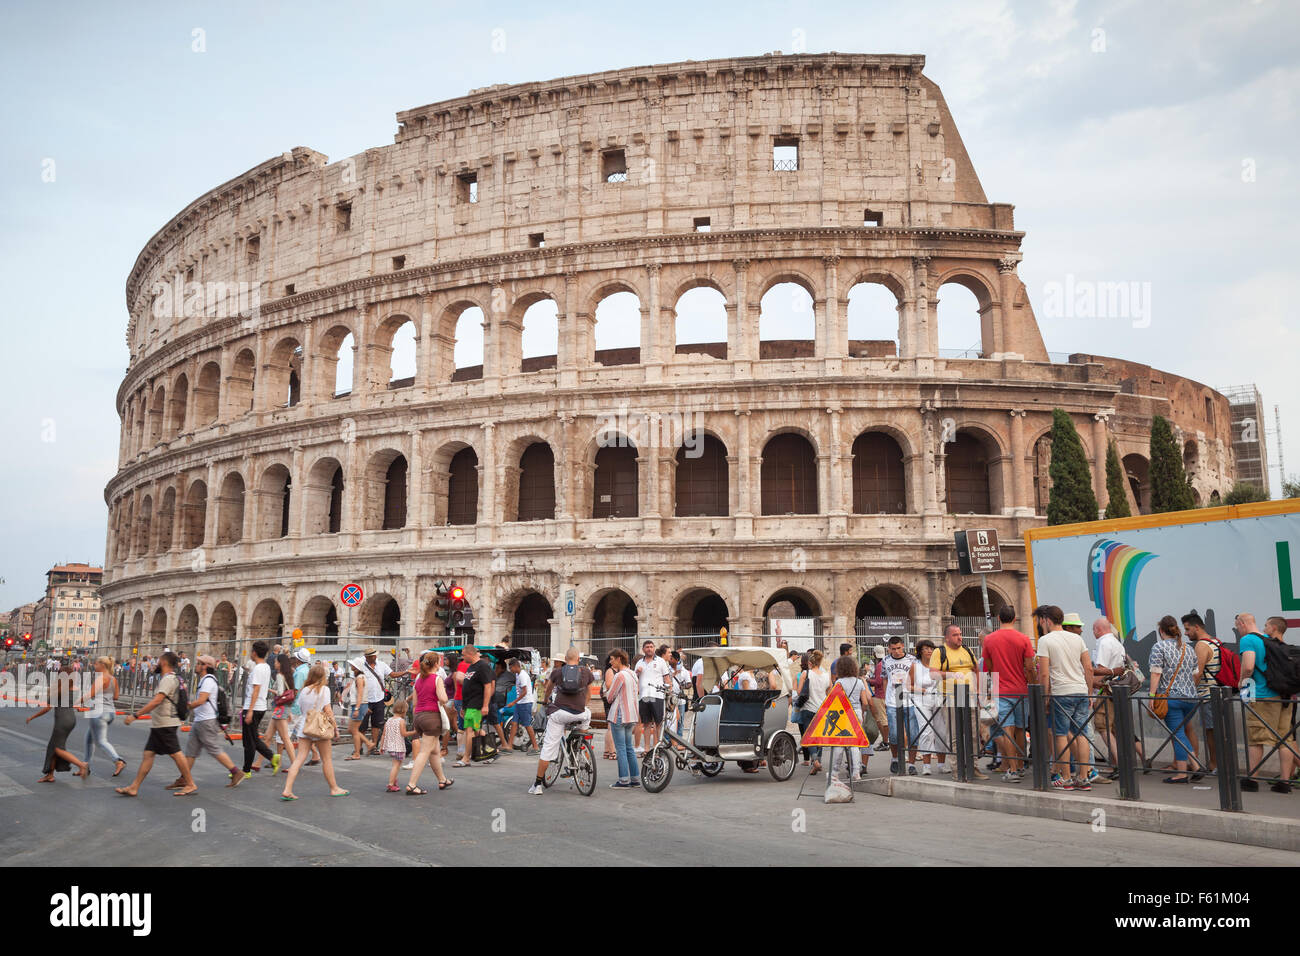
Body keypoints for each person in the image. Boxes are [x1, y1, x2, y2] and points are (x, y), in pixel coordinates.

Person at [115, 652, 197, 796]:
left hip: (166, 723)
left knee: (176, 754)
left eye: (158, 661)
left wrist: (135, 715)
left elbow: (157, 700)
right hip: (160, 723)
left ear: (164, 663)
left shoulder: (168, 679)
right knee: (148, 754)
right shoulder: (173, 678)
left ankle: (190, 783)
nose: (156, 664)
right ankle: (134, 787)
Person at [1035, 605, 1095, 791]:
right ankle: (1084, 778)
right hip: (1080, 691)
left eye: (1040, 621)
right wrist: (1090, 691)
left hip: (1061, 692)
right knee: (1082, 734)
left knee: (1061, 735)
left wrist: (1044, 697)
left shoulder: (1045, 640)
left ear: (1046, 620)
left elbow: (1044, 673)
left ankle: (1067, 778)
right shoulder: (1077, 639)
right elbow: (1089, 668)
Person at [1237, 613, 1297, 793]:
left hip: (1263, 696)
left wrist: (1241, 682)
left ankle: (1252, 780)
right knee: (1285, 739)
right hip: (1284, 695)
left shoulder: (1248, 639)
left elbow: (1248, 666)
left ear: (1242, 624)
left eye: (1237, 626)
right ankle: (1284, 783)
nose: (1238, 630)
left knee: (1256, 739)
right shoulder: (1270, 639)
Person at [169, 655, 244, 788]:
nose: (196, 666)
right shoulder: (204, 680)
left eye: (199, 663)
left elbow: (202, 700)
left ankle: (236, 772)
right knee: (191, 751)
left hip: (206, 721)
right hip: (200, 720)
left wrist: (186, 706)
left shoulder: (208, 681)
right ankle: (183, 778)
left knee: (214, 749)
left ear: (205, 666)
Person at [528, 646, 594, 795]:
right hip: (581, 712)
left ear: (565, 659)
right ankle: (579, 745)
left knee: (548, 748)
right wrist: (583, 705)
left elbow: (548, 689)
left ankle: (537, 785)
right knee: (587, 716)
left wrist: (545, 701)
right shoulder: (585, 671)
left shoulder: (557, 672)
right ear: (578, 659)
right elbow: (589, 692)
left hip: (560, 713)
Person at [1147, 614, 1205, 784]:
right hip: (1191, 698)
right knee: (1181, 733)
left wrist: (1152, 695)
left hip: (1171, 698)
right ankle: (1196, 766)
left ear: (1161, 630)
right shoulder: (1188, 648)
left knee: (1177, 735)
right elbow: (1195, 674)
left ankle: (1181, 773)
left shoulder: (1159, 647)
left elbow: (1156, 672)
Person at [280, 663, 349, 800]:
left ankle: (287, 789)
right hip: (320, 727)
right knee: (327, 760)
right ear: (323, 677)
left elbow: (299, 708)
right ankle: (334, 788)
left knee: (299, 759)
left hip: (305, 726)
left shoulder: (304, 690)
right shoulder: (324, 690)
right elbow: (328, 711)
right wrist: (335, 727)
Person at [981, 606, 1035, 781]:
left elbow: (988, 667)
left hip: (1000, 690)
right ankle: (1020, 766)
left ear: (998, 618)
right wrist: (1032, 684)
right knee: (1020, 729)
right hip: (1021, 690)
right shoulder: (1024, 639)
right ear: (1014, 618)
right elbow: (1029, 666)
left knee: (1007, 730)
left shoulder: (989, 640)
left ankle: (1011, 769)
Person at [929, 625, 989, 779]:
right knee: (955, 734)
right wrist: (952, 675)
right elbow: (933, 674)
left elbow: (976, 669)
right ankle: (957, 769)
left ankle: (973, 767)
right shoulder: (939, 652)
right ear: (947, 637)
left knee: (974, 733)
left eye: (960, 634)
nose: (960, 637)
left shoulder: (967, 650)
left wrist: (978, 691)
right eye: (955, 635)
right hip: (951, 697)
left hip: (969, 696)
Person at [27, 661, 91, 783]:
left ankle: (81, 765)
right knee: (53, 746)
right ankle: (50, 774)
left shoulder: (58, 691)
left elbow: (47, 708)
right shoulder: (75, 688)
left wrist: (32, 717)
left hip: (62, 721)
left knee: (57, 748)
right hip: (71, 719)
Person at [406, 652, 453, 794]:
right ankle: (412, 784)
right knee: (425, 751)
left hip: (419, 716)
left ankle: (442, 779)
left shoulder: (419, 680)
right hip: (432, 717)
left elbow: (415, 702)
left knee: (434, 751)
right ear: (437, 664)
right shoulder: (436, 678)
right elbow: (443, 699)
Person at [1182, 611, 1220, 773]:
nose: (1185, 633)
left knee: (1211, 731)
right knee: (1216, 729)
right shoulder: (1215, 642)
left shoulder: (1201, 645)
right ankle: (1218, 764)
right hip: (1217, 692)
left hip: (1207, 694)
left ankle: (1214, 765)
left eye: (1187, 629)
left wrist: (1189, 692)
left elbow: (1197, 672)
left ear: (1197, 627)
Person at [1091, 617, 1129, 781]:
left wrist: (1089, 676)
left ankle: (1121, 765)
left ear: (1098, 629)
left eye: (1093, 630)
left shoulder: (1103, 643)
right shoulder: (1117, 643)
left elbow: (1102, 669)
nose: (1093, 633)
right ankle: (1118, 764)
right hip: (1117, 690)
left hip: (1106, 690)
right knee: (1112, 728)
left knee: (1102, 725)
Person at [826, 654, 873, 786]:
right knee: (854, 745)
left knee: (839, 744)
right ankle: (856, 772)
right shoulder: (859, 682)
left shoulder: (839, 683)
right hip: (857, 713)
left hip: (843, 714)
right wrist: (861, 714)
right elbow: (864, 702)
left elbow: (833, 699)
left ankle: (834, 772)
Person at [77, 655, 127, 778]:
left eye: (96, 664)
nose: (94, 666)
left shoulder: (100, 678)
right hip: (110, 713)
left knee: (100, 741)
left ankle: (118, 760)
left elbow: (91, 694)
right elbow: (116, 697)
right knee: (89, 739)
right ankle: (85, 766)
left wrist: (76, 702)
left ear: (102, 665)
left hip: (99, 713)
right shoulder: (113, 679)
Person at [880, 635, 920, 775]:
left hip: (909, 698)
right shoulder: (886, 660)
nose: (896, 651)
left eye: (898, 648)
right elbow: (885, 679)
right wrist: (885, 698)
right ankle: (895, 758)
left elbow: (916, 679)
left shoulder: (912, 659)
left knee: (913, 732)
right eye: (893, 649)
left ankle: (912, 763)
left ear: (903, 646)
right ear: (889, 649)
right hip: (893, 698)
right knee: (894, 733)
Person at [603, 648, 641, 788]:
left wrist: (606, 692)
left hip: (619, 714)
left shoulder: (619, 676)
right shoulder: (633, 674)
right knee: (629, 748)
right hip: (631, 714)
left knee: (621, 749)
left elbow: (610, 696)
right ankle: (635, 778)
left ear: (619, 659)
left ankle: (623, 780)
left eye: (612, 659)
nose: (610, 661)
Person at [240, 640, 277, 775]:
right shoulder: (266, 667)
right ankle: (248, 768)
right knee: (252, 738)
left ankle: (247, 770)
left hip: (254, 707)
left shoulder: (257, 669)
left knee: (249, 740)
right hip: (260, 706)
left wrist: (249, 710)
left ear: (254, 653)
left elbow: (256, 689)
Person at [459, 645, 497, 764]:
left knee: (469, 729)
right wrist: (463, 706)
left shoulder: (482, 666)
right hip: (469, 704)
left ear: (470, 654)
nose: (462, 657)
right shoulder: (471, 667)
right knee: (476, 730)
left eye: (463, 655)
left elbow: (488, 686)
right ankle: (490, 752)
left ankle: (466, 758)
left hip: (476, 704)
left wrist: (485, 705)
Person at [634, 640, 671, 754]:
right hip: (644, 696)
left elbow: (667, 678)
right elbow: (635, 679)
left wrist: (669, 693)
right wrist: (636, 673)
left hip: (657, 695)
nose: (649, 649)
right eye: (647, 647)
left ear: (654, 648)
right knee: (646, 723)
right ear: (643, 649)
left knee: (658, 722)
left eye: (651, 647)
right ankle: (646, 748)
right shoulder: (639, 663)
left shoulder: (660, 661)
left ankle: (657, 747)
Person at [357, 648, 392, 754]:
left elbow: (392, 674)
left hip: (379, 699)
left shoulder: (381, 665)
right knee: (362, 725)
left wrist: (406, 672)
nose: (375, 657)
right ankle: (359, 747)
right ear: (367, 657)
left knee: (376, 724)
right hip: (365, 700)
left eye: (375, 655)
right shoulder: (361, 666)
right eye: (373, 656)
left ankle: (373, 747)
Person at [801, 649, 830, 775]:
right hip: (821, 709)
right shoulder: (826, 676)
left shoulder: (805, 674)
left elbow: (798, 690)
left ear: (810, 663)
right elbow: (830, 692)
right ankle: (818, 762)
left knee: (809, 735)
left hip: (808, 708)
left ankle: (814, 759)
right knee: (819, 737)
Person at [268, 653, 298, 774]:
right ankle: (270, 761)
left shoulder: (280, 675)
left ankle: (294, 764)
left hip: (280, 709)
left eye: (276, 662)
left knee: (285, 738)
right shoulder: (288, 674)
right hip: (282, 708)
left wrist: (268, 689)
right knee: (268, 736)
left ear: (280, 663)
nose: (274, 663)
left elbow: (280, 693)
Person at [381, 698, 417, 791]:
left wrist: (382, 746)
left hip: (390, 747)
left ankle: (393, 780)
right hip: (398, 747)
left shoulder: (389, 720)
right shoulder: (401, 721)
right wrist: (414, 732)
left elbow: (384, 734)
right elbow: (404, 734)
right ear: (404, 710)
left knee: (396, 764)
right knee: (396, 766)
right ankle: (391, 783)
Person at [507, 658, 539, 755]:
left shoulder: (522, 676)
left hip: (525, 703)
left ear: (516, 666)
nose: (510, 670)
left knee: (527, 725)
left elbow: (524, 692)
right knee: (514, 723)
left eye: (511, 668)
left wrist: (513, 702)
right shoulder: (518, 675)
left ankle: (535, 747)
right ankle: (509, 746)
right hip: (520, 703)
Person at [345, 659, 369, 758]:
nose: (351, 665)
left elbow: (360, 694)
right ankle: (368, 743)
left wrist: (357, 708)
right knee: (351, 729)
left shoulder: (359, 678)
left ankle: (357, 753)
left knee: (353, 730)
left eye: (353, 664)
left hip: (359, 705)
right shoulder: (360, 677)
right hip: (360, 705)